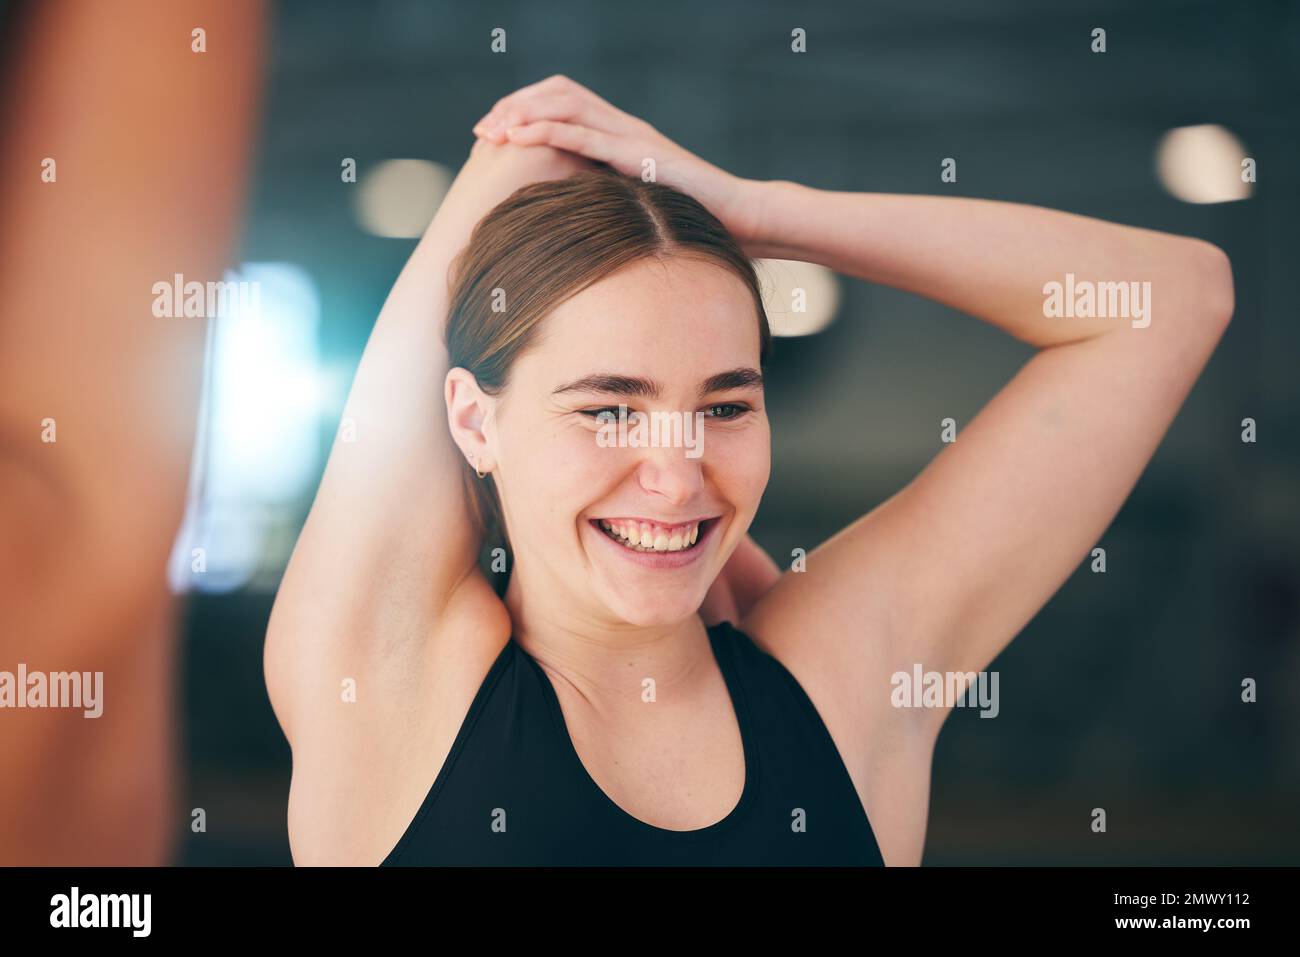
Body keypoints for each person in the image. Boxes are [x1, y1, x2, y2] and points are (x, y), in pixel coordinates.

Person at [265, 75, 1234, 866]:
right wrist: (540, 153)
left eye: (724, 406)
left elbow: (1171, 298)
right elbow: (524, 146)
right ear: (476, 423)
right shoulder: (389, 681)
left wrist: (757, 211)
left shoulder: (842, 685)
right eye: (608, 408)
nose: (679, 476)